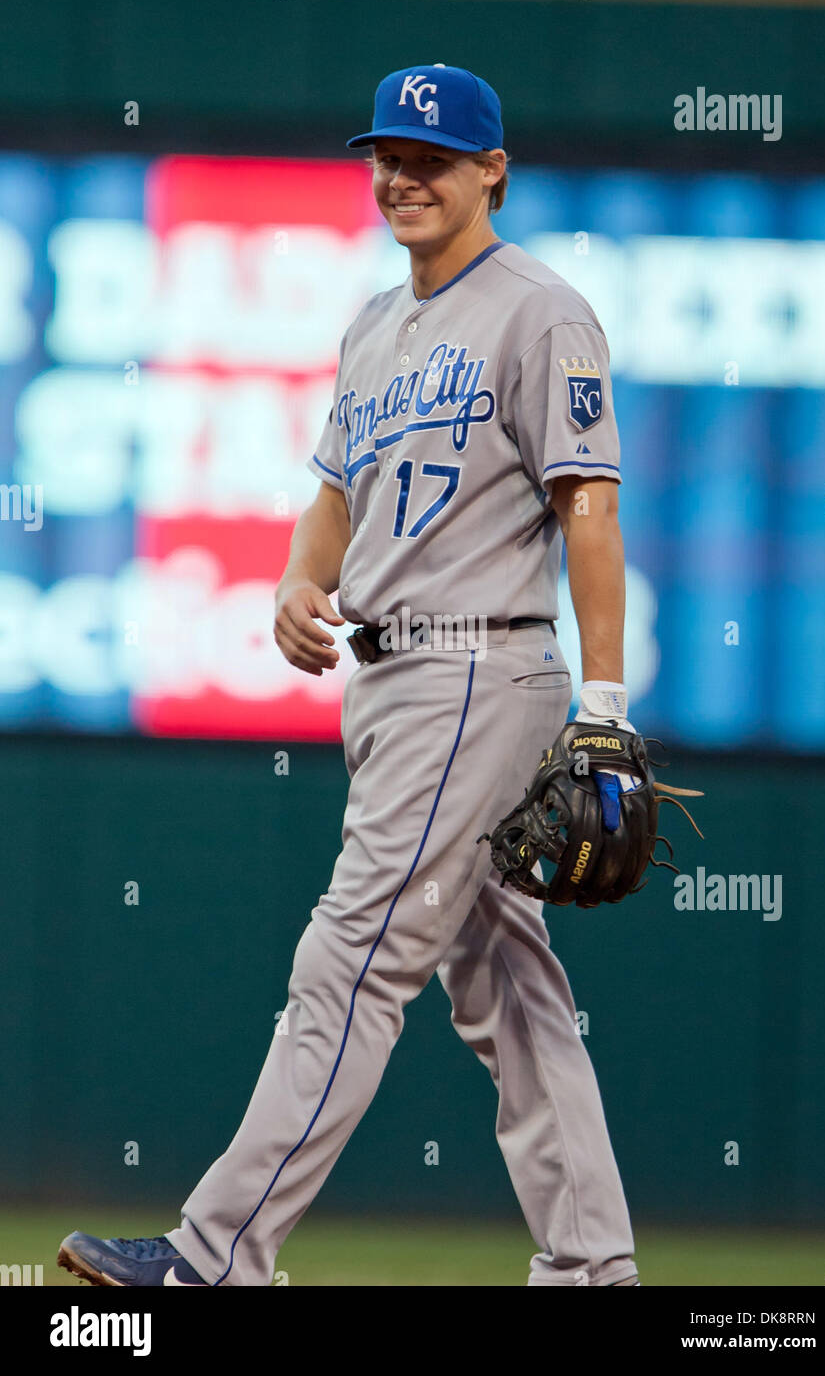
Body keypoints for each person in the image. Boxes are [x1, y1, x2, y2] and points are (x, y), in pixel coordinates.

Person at [59, 63, 640, 1288]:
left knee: (352, 955)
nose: (402, 176)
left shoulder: (542, 311)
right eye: (387, 153)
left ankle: (220, 1254)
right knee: (505, 984)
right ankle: (594, 1270)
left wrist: (602, 701)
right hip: (388, 685)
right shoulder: (374, 324)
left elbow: (587, 502)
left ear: (492, 170)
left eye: (431, 157)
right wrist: (288, 580)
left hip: (477, 670)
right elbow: (334, 493)